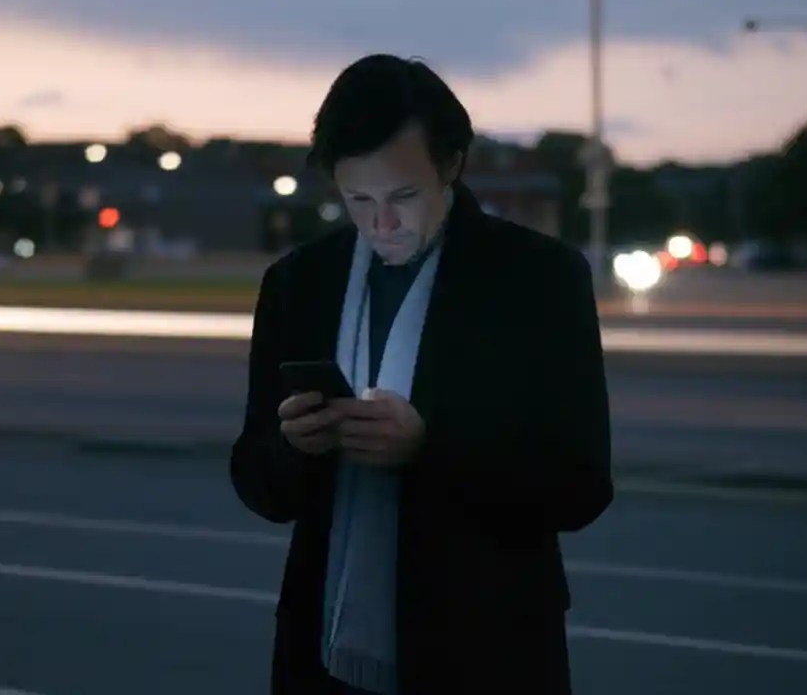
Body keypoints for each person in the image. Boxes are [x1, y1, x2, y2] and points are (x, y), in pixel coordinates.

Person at [230, 53, 613, 695]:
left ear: (453, 165)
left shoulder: (537, 278)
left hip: (487, 651)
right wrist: (296, 448)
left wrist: (429, 447)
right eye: (359, 199)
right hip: (322, 653)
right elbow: (256, 482)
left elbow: (580, 485)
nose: (381, 223)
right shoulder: (300, 283)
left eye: (404, 196)